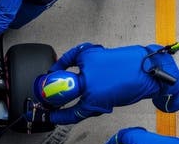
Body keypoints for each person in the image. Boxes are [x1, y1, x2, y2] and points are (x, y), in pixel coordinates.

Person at [33, 41, 179, 126]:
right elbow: (78, 50)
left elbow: (73, 115)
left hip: (169, 81)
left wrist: (45, 117)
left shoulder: (93, 101)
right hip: (157, 51)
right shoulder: (87, 55)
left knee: (165, 106)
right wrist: (53, 71)